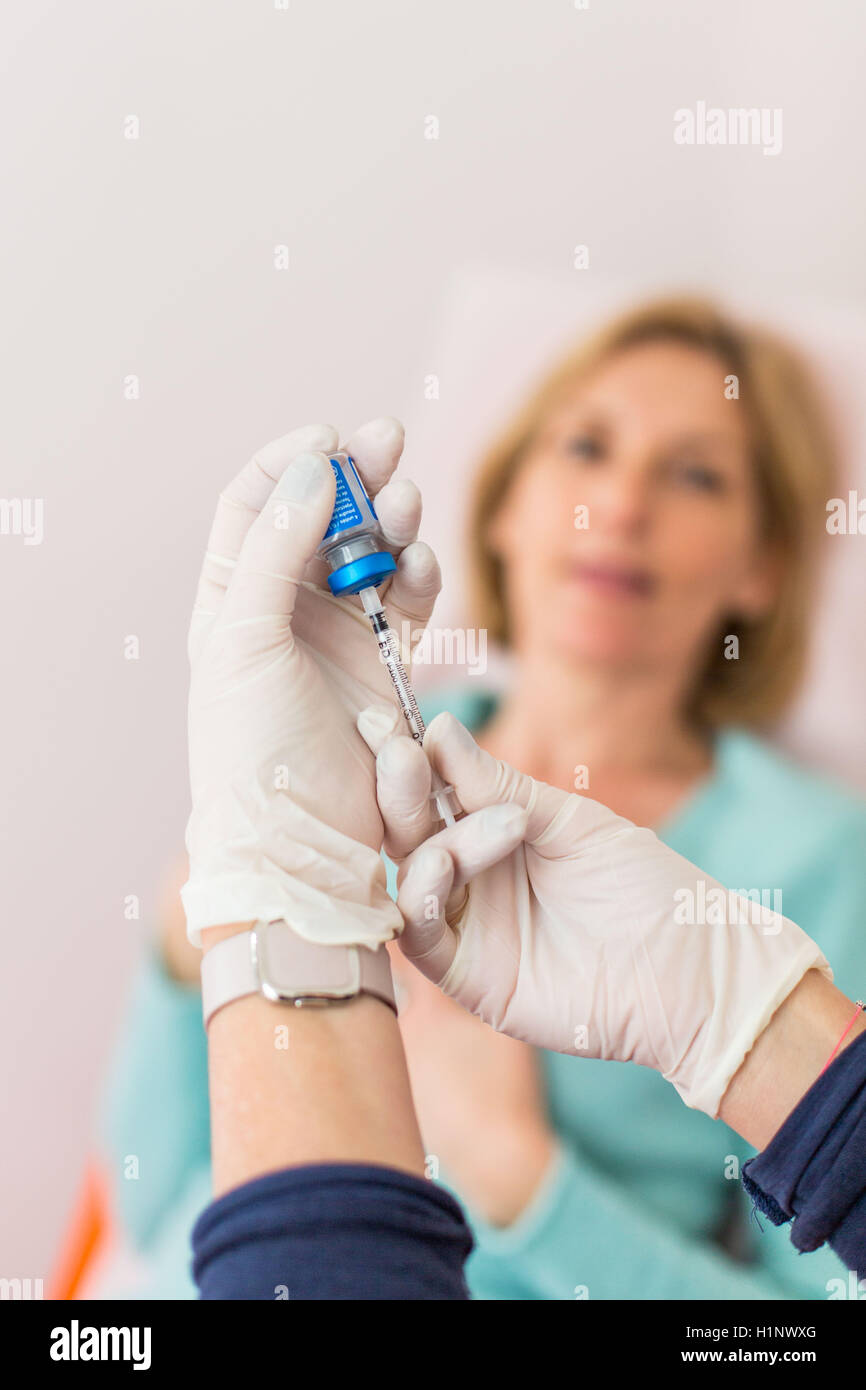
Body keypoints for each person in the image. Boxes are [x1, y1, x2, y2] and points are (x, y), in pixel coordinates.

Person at [102, 297, 866, 1301]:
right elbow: (149, 1203)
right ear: (505, 505)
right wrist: (193, 929)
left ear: (761, 566)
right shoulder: (320, 739)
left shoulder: (819, 856)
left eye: (693, 473)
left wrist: (525, 1182)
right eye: (586, 447)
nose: (619, 504)